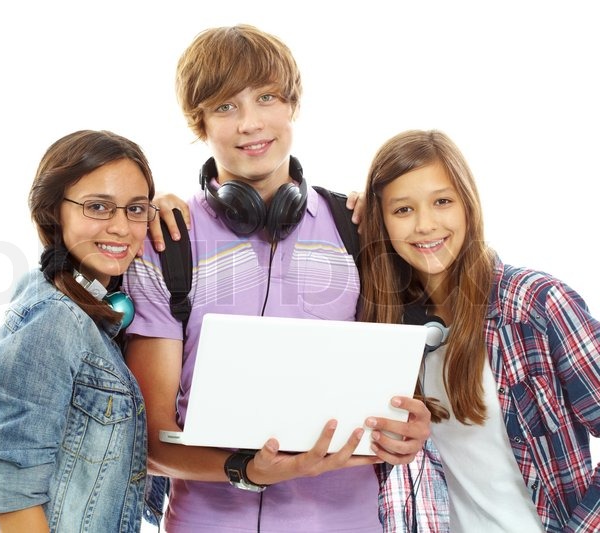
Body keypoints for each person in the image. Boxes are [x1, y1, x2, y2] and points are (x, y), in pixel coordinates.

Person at [123, 25, 433, 532]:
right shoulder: (167, 243)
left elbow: (400, 380)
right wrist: (244, 470)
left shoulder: (359, 227)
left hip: (344, 521)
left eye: (267, 98)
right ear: (198, 123)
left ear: (292, 106)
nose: (251, 123)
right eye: (226, 107)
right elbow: (151, 441)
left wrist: (410, 429)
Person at [358, 129, 600, 532]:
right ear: (381, 221)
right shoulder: (390, 328)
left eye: (442, 202)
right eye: (403, 210)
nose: (425, 224)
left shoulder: (536, 303)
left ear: (468, 204)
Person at [0, 129, 157, 533]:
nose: (121, 228)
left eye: (136, 209)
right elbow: (14, 497)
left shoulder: (100, 312)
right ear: (55, 212)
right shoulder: (53, 319)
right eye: (98, 207)